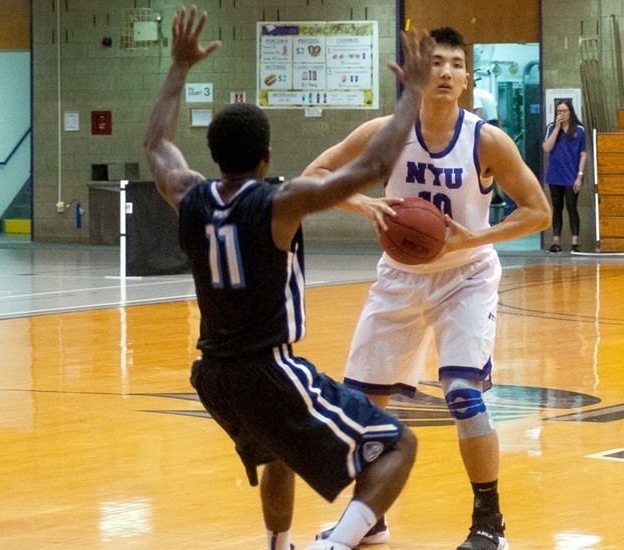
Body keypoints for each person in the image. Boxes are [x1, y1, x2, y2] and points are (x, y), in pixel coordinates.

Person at [145, 7, 435, 550]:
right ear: (267, 157)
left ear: (213, 154)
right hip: (267, 368)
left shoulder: (187, 194)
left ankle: (279, 544)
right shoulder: (278, 202)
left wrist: (178, 70)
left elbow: (157, 146)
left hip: (212, 375)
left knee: (277, 455)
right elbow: (371, 169)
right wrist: (412, 92)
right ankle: (336, 544)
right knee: (398, 445)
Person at [303, 26, 552, 550]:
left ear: (466, 78)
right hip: (400, 278)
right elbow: (314, 175)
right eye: (435, 62)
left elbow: (539, 211)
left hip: (466, 276)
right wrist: (361, 202)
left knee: (463, 394)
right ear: (419, 74)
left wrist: (477, 237)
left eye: (455, 64)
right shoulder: (386, 132)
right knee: (364, 405)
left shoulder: (486, 139)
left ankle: (490, 524)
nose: (444, 72)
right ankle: (372, 517)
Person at [542, 100, 587, 253]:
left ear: (570, 111)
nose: (562, 114)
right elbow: (547, 148)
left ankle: (575, 242)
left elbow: (583, 155)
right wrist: (557, 128)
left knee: (572, 207)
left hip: (571, 176)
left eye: (565, 111)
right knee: (557, 208)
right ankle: (556, 242)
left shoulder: (579, 130)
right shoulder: (551, 128)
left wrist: (579, 176)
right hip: (555, 175)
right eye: (559, 111)